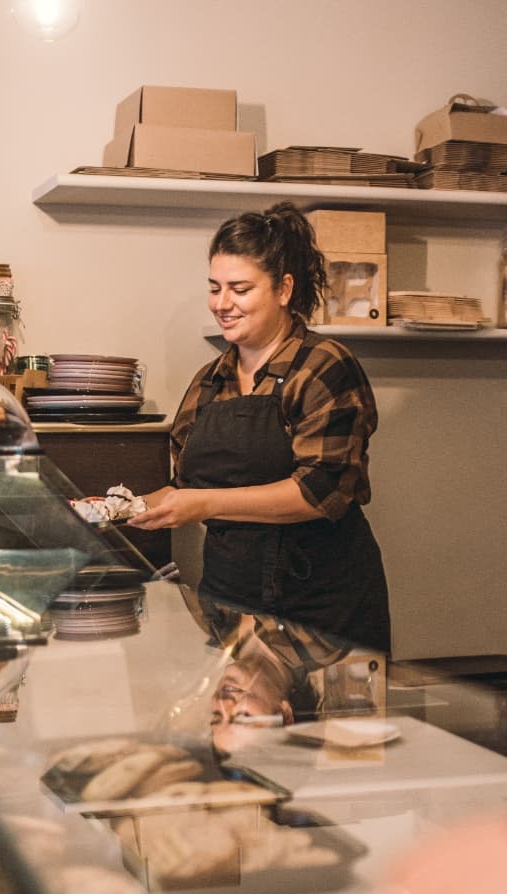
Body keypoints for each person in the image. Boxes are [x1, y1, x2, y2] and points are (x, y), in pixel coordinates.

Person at [130, 202, 391, 654]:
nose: (222, 304)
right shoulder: (209, 381)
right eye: (215, 289)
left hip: (321, 606)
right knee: (241, 726)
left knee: (315, 725)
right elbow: (184, 487)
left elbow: (320, 491)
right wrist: (116, 507)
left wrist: (201, 504)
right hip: (229, 601)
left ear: (284, 288)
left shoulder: (324, 366)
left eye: (240, 289)